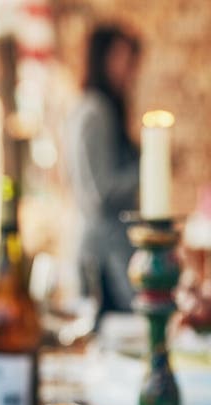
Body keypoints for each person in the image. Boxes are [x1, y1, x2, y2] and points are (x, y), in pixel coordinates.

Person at [67, 25, 141, 313]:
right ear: (103, 59)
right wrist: (146, 170)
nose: (129, 69)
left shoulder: (90, 108)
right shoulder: (96, 112)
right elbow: (100, 192)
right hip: (104, 259)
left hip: (104, 254)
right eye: (121, 58)